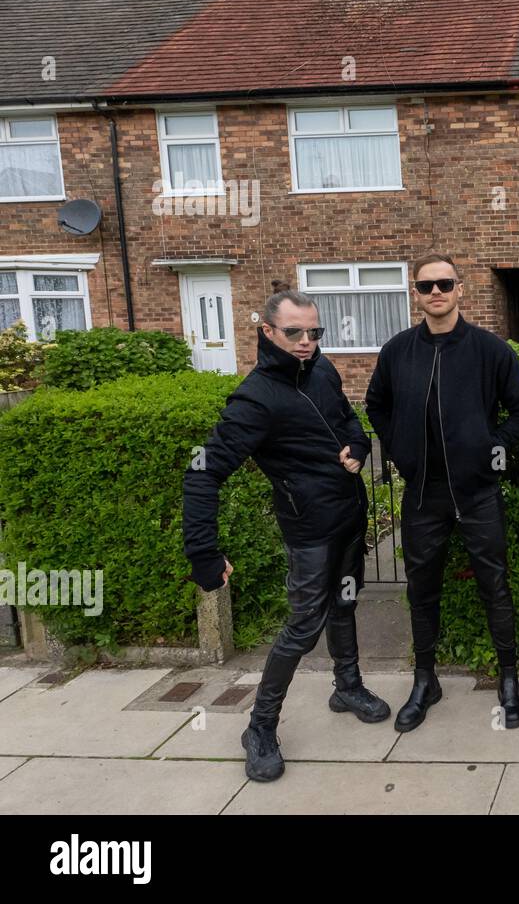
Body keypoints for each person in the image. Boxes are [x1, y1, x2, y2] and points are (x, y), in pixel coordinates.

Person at [184, 286, 389, 783]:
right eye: (293, 332)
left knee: (344, 605)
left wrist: (357, 447)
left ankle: (347, 686)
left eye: (313, 332)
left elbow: (349, 423)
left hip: (346, 518)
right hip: (309, 533)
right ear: (268, 332)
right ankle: (259, 728)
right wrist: (204, 553)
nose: (305, 341)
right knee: (303, 627)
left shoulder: (321, 369)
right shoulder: (256, 398)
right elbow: (202, 473)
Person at [365, 254, 519, 732]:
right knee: (421, 589)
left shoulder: (490, 350)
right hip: (424, 495)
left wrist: (492, 448)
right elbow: (375, 404)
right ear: (415, 295)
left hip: (477, 492)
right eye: (426, 286)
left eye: (444, 283)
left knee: (494, 586)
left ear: (460, 289)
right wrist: (400, 449)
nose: (435, 292)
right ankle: (425, 680)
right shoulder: (398, 351)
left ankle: (509, 679)